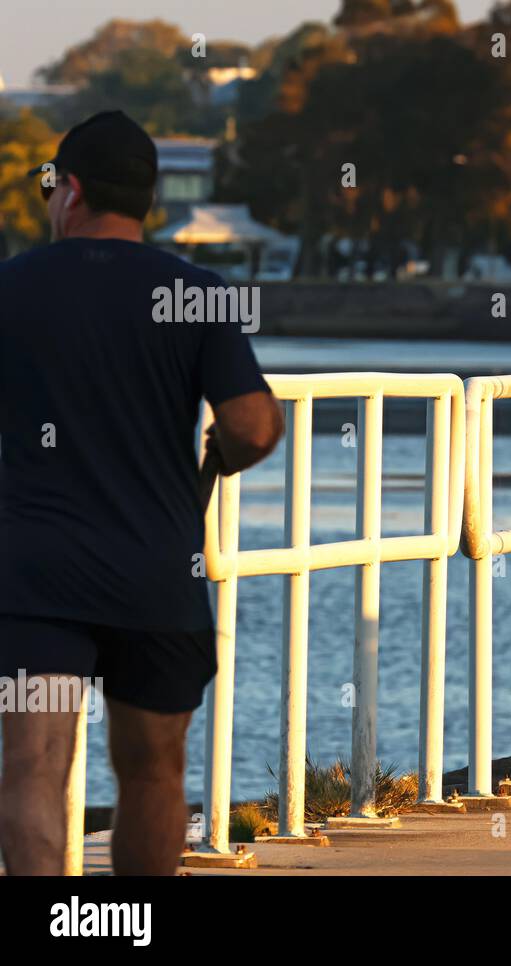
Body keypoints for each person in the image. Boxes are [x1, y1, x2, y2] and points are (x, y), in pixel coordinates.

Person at [0, 110, 283, 874]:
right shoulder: (198, 293)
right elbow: (254, 428)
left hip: (33, 576)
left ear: (72, 191)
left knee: (32, 768)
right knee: (155, 773)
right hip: (157, 569)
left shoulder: (12, 287)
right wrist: (217, 450)